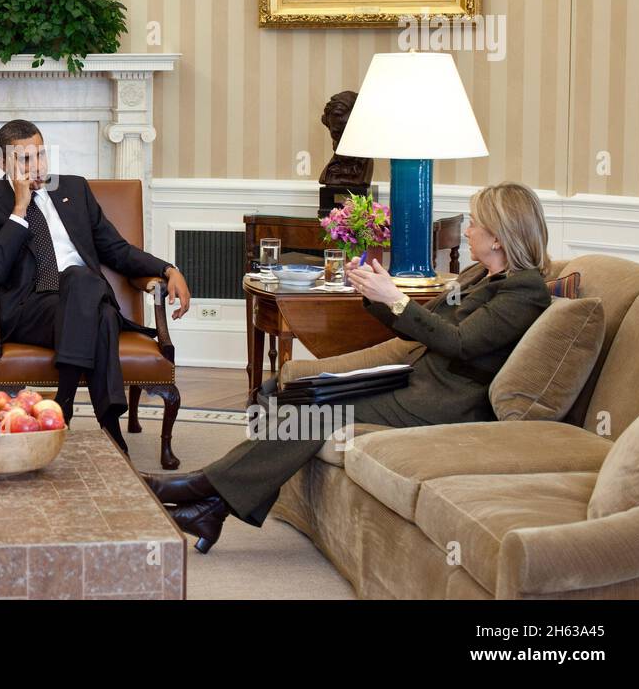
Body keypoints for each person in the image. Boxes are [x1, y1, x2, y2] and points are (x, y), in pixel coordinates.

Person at [145, 181, 553, 553]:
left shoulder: (524, 292)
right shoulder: (480, 274)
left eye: (476, 225)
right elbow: (427, 326)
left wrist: (396, 299)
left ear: (499, 237)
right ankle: (211, 507)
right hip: (420, 381)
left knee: (318, 413)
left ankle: (203, 488)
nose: (468, 231)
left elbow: (460, 343)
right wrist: (376, 293)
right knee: (300, 396)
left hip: (447, 401)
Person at [0, 119, 192, 452]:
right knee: (96, 306)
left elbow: (116, 249)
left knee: (84, 285)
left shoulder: (74, 189)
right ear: (3, 164)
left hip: (83, 298)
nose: (36, 166)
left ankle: (67, 404)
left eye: (40, 155)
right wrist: (19, 208)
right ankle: (103, 424)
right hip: (31, 310)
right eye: (24, 160)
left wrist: (168, 269)